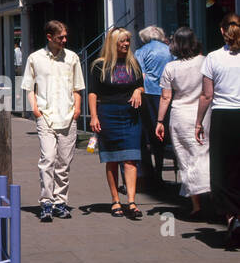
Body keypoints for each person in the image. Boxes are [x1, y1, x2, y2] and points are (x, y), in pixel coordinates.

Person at [22, 19, 86, 222]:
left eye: (66, 36)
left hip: (67, 116)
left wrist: (77, 109)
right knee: (48, 159)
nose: (64, 40)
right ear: (49, 37)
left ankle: (60, 203)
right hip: (46, 116)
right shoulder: (35, 58)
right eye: (61, 37)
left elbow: (78, 87)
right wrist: (35, 109)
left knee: (64, 163)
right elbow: (28, 86)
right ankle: (46, 202)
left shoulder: (72, 58)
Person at [88, 28, 146, 220]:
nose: (126, 44)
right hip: (108, 114)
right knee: (112, 159)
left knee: (131, 159)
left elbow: (140, 84)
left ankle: (131, 201)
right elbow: (93, 93)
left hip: (130, 116)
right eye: (122, 41)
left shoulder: (133, 63)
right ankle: (115, 200)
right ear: (113, 43)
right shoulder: (99, 65)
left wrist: (138, 90)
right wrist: (94, 117)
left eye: (128, 40)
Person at [196, 12, 240, 248]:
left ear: (222, 31)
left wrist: (198, 122)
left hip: (223, 116)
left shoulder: (212, 58)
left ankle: (232, 217)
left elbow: (207, 95)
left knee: (224, 169)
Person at [157, 27, 209, 218]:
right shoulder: (205, 62)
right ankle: (213, 196)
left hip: (180, 115)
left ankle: (196, 205)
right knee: (205, 153)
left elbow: (165, 97)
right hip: (204, 114)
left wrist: (159, 120)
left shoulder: (171, 68)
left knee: (186, 158)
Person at [136, 25, 172, 190]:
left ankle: (148, 173)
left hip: (148, 94)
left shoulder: (141, 52)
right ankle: (159, 171)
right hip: (167, 93)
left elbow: (140, 75)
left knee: (147, 133)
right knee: (162, 134)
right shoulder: (169, 50)